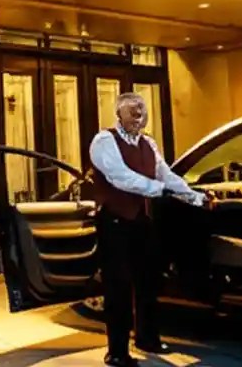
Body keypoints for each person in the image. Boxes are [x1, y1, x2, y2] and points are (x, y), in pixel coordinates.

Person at [88, 92, 207, 367]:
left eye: (142, 110)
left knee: (148, 281)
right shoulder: (104, 141)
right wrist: (158, 189)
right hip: (114, 220)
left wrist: (194, 197)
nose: (139, 115)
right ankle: (117, 351)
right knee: (118, 286)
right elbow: (120, 177)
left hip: (140, 219)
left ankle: (147, 338)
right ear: (119, 114)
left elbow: (165, 174)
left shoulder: (148, 143)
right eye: (132, 110)